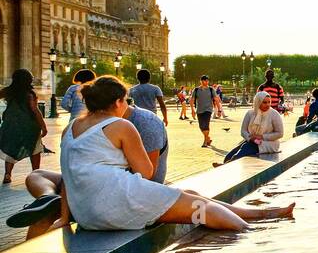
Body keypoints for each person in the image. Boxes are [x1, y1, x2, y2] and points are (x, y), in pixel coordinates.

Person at [58, 76, 294, 233]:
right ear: (118, 101)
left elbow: (68, 177)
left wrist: (64, 217)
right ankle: (251, 233)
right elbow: (146, 171)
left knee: (190, 194)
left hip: (87, 213)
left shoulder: (70, 129)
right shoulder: (120, 126)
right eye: (125, 101)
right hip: (118, 205)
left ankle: (261, 213)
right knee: (204, 210)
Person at [7, 100, 169, 239]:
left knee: (42, 220)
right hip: (96, 183)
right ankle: (48, 198)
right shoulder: (99, 124)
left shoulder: (144, 123)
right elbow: (74, 167)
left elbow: (147, 175)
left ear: (117, 103)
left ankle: (54, 205)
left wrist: (76, 190)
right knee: (37, 175)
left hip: (121, 190)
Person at [1, 69, 47, 184]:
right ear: (28, 80)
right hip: (29, 126)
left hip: (11, 125)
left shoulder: (8, 91)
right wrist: (43, 126)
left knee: (11, 149)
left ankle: (7, 174)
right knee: (35, 149)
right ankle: (36, 173)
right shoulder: (29, 94)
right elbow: (35, 110)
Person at [192, 75, 217, 148]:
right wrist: (192, 110)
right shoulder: (196, 90)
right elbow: (192, 100)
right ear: (201, 81)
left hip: (208, 109)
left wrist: (219, 109)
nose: (206, 82)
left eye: (207, 80)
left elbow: (216, 99)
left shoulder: (211, 89)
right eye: (204, 80)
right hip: (199, 110)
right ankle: (208, 138)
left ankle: (205, 142)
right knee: (201, 126)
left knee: (206, 125)